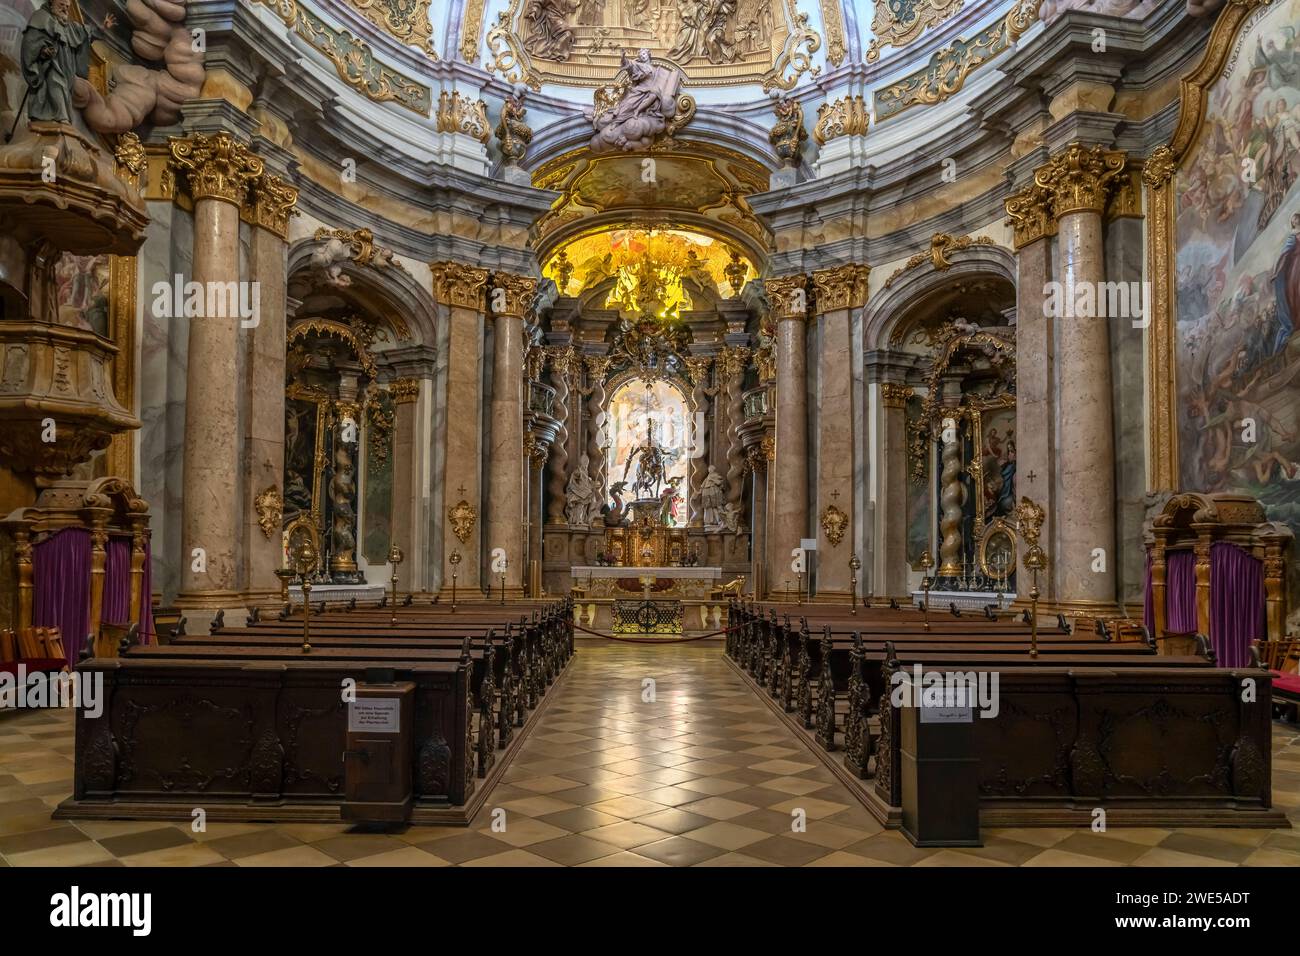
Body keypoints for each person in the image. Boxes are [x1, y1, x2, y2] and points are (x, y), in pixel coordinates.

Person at [20, 0, 91, 126]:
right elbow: (30, 43)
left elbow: (84, 34)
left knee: (64, 89)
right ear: (52, 3)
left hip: (66, 67)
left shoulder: (68, 26)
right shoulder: (41, 17)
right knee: (57, 84)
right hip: (50, 64)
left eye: (67, 7)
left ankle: (61, 118)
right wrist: (42, 51)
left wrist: (101, 28)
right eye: (61, 5)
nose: (65, 9)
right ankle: (61, 118)